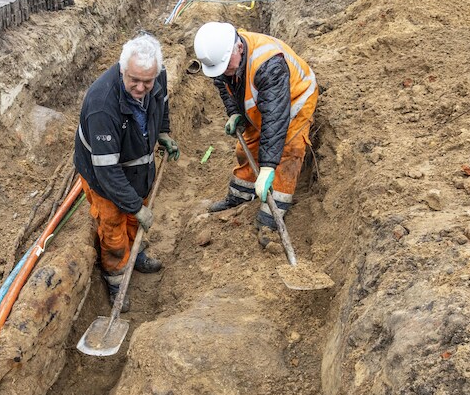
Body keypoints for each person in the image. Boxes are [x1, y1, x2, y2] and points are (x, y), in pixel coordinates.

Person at [74, 33, 179, 311]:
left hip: (139, 163)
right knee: (113, 226)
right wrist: (134, 206)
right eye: (134, 80)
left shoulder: (157, 76)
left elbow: (162, 102)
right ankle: (117, 276)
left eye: (148, 81)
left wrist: (164, 131)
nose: (141, 87)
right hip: (103, 174)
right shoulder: (102, 106)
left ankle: (137, 254)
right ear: (122, 70)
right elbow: (108, 172)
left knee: (136, 212)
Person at [193, 21, 317, 235]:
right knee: (247, 147)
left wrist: (268, 165)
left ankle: (270, 217)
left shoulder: (269, 64)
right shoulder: (224, 59)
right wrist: (235, 112)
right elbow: (225, 86)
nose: (223, 72)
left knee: (287, 151)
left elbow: (276, 118)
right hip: (266, 101)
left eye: (225, 67)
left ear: (238, 47)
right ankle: (240, 196)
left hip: (295, 102)